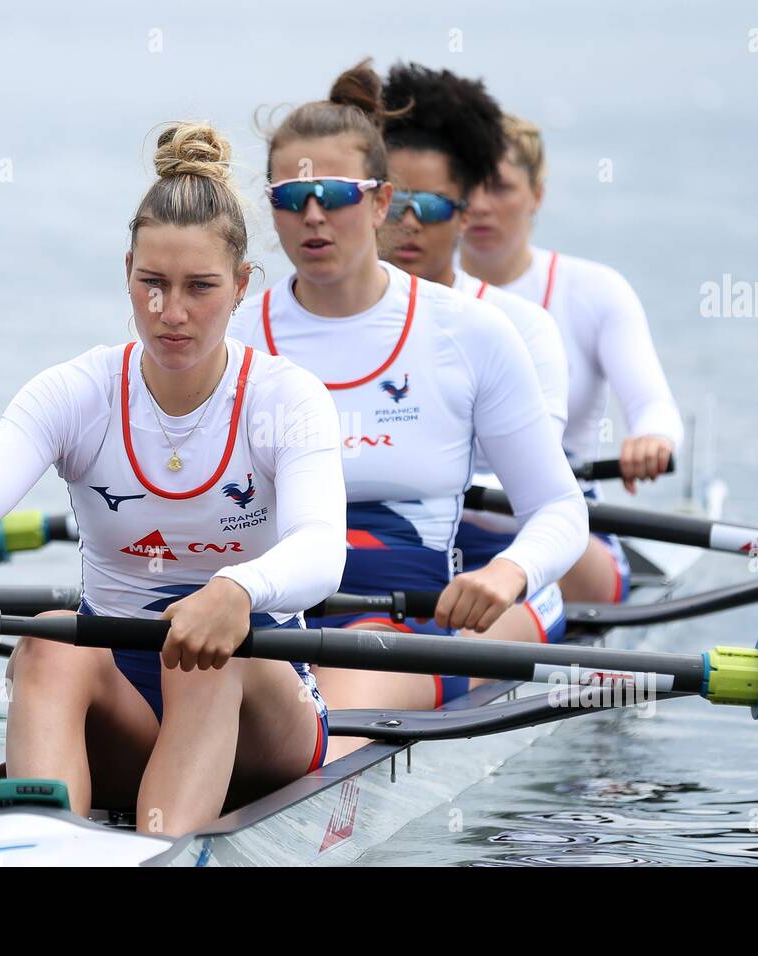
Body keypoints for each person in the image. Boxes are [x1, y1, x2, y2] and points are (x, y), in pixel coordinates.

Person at [0, 122, 347, 835]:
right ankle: (42, 845)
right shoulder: (78, 391)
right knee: (46, 641)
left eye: (200, 287)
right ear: (127, 268)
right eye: (152, 284)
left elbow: (322, 548)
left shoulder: (285, 399)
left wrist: (236, 590)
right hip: (127, 709)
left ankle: (157, 845)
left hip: (262, 705)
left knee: (201, 656)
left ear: (243, 286)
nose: (172, 312)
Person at [230, 62, 586, 760]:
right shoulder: (234, 333)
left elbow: (560, 511)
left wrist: (505, 575)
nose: (311, 215)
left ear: (381, 199)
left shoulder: (470, 332)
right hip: (264, 616)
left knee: (300, 730)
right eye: (289, 195)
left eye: (333, 193)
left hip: (407, 624)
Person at [378, 60, 569, 648]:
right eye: (393, 203)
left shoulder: (520, 329)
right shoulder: (315, 324)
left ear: (464, 210)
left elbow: (531, 501)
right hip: (362, 571)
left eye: (431, 206)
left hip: (494, 569)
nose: (409, 224)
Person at [459, 115, 684, 604]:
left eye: (499, 188)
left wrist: (652, 439)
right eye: (468, 188)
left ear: (537, 195)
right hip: (441, 522)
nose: (479, 206)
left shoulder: (594, 291)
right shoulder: (417, 296)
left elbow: (653, 405)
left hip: (565, 518)